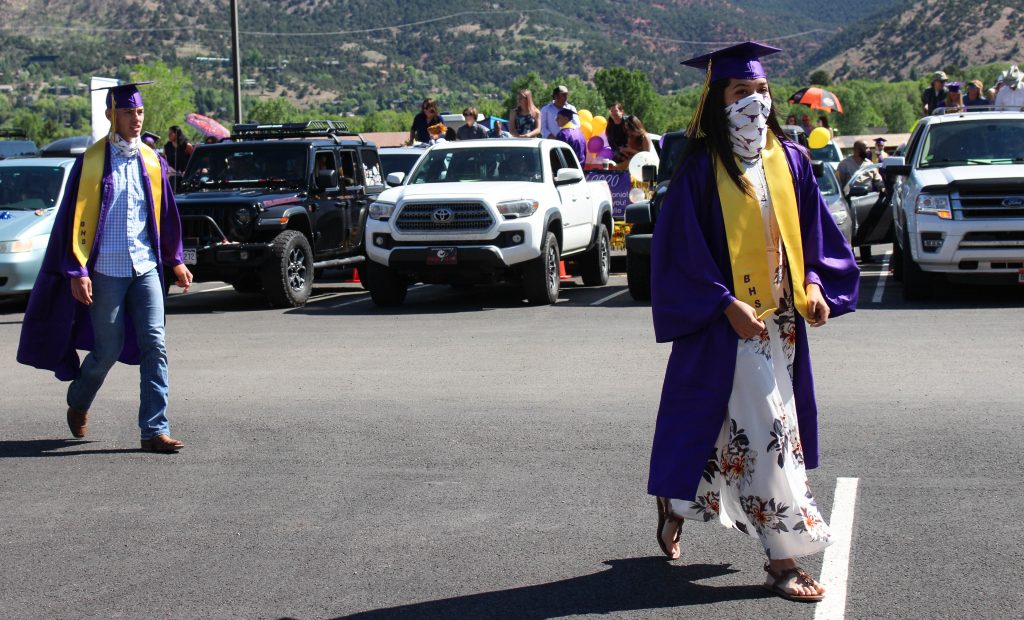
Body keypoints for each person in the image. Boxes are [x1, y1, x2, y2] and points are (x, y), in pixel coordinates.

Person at [649, 41, 858, 603]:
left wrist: (815, 286)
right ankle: (783, 560)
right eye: (742, 93)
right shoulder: (699, 171)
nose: (755, 103)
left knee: (733, 432)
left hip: (781, 326)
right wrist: (722, 303)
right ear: (718, 101)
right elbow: (681, 253)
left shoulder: (790, 160)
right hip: (729, 328)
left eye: (762, 91)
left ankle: (677, 498)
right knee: (769, 434)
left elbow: (815, 239)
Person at [17, 82, 192, 453]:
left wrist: (175, 260)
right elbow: (71, 220)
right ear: (112, 114)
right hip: (105, 271)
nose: (136, 119)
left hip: (144, 267)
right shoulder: (92, 162)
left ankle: (154, 430)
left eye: (140, 112)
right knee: (106, 350)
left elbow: (164, 216)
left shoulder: (152, 160)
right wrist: (77, 271)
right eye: (129, 112)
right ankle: (79, 398)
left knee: (155, 345)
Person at [163, 125, 193, 191]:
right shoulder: (167, 147)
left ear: (177, 133)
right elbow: (165, 161)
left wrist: (187, 171)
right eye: (168, 133)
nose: (168, 135)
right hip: (172, 175)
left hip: (186, 175)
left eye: (171, 133)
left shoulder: (187, 146)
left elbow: (193, 160)